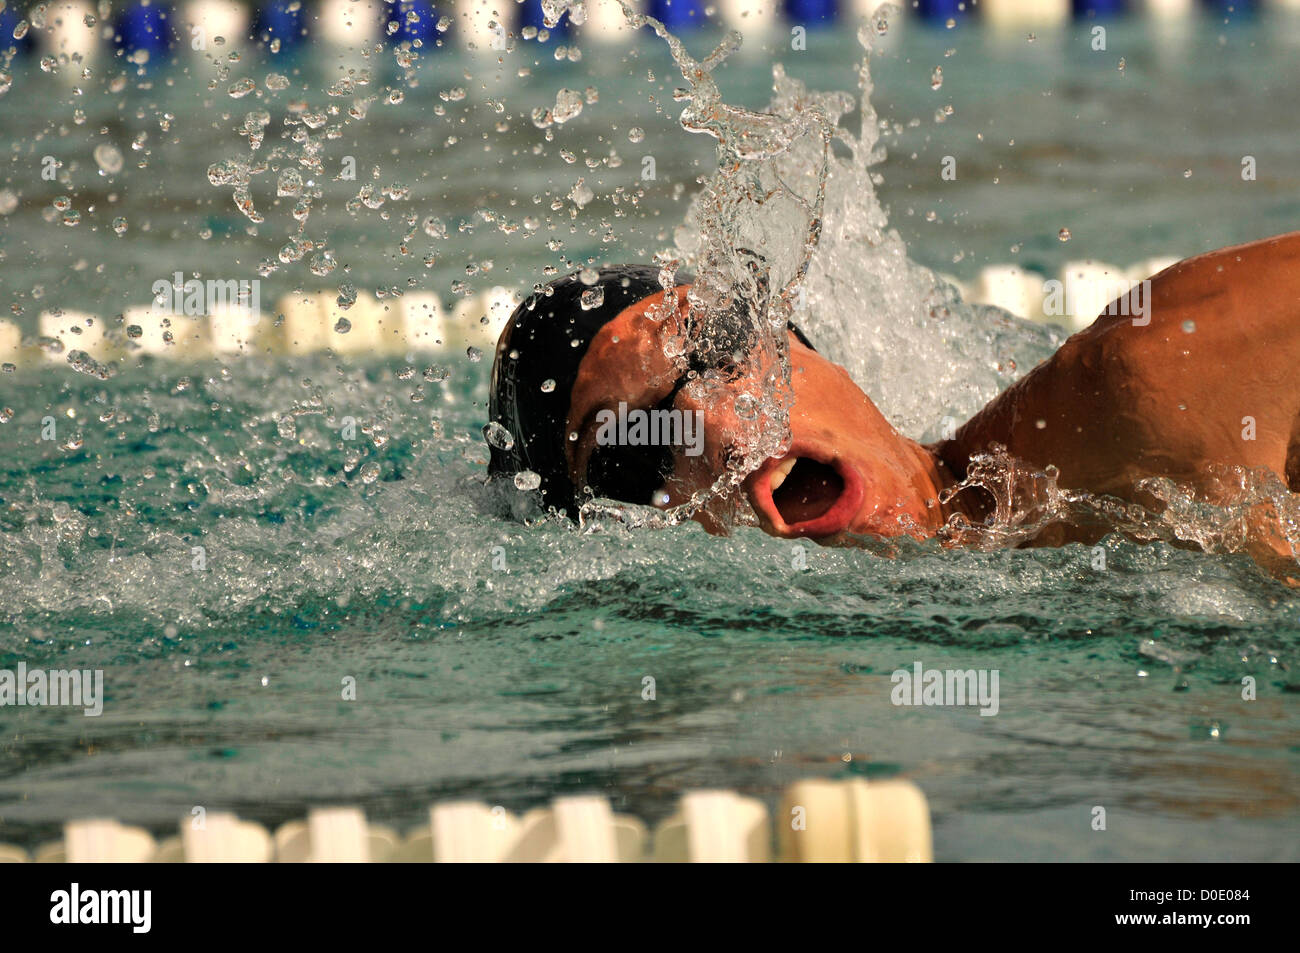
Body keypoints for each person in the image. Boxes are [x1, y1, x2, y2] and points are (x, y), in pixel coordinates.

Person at [487, 233, 1300, 582]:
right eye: (632, 455)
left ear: (814, 351)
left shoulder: (1150, 379)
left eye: (724, 340)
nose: (728, 431)